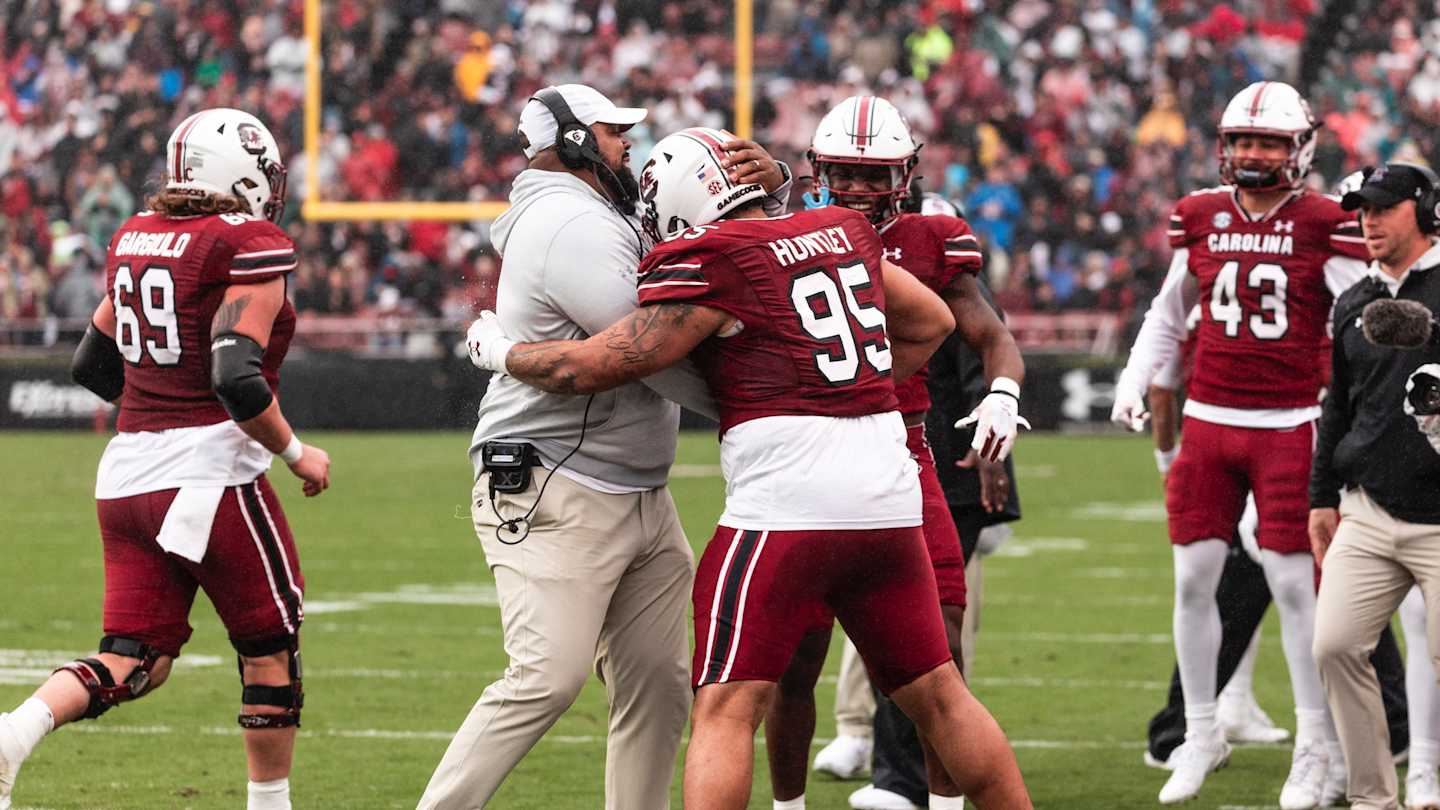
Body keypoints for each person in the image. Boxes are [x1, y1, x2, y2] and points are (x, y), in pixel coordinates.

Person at [467, 127, 1034, 810]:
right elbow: (932, 321)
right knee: (940, 696)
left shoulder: (712, 255)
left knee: (727, 709)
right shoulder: (844, 230)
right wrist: (852, 394)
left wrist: (497, 349)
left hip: (785, 510)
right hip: (888, 497)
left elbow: (583, 365)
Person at [417, 86, 793, 810]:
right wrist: (764, 398)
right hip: (556, 479)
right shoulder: (567, 221)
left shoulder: (596, 213)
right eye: (616, 132)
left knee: (658, 687)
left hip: (635, 489)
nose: (630, 147)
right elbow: (657, 347)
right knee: (545, 678)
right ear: (577, 140)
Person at [0, 108, 329, 810]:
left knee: (134, 659)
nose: (271, 188)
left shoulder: (134, 236)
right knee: (270, 646)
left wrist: (160, 407)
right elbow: (236, 377)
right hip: (210, 477)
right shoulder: (246, 241)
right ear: (237, 174)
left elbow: (91, 361)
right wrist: (298, 453)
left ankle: (12, 735)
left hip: (126, 478)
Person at [1111, 80, 1370, 807]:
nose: (1254, 155)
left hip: (1291, 423)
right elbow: (1169, 314)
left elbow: (1359, 318)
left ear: (1300, 149)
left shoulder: (1326, 222)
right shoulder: (1198, 215)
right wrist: (1135, 381)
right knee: (1195, 579)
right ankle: (1201, 731)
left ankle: (1317, 746)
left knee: (1295, 586)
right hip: (1210, 421)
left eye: (1269, 142)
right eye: (1244, 142)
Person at [769, 95, 1027, 810]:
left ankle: (941, 805)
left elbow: (992, 336)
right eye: (845, 172)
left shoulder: (935, 237)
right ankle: (788, 804)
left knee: (940, 645)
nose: (856, 188)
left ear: (905, 174)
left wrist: (1001, 395)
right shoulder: (778, 232)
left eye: (872, 174)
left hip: (902, 450)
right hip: (805, 451)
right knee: (795, 662)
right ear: (818, 170)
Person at [1311, 162, 1440, 810]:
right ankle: (1371, 800)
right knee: (1333, 645)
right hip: (1367, 508)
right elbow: (1338, 407)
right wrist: (1319, 498)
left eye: (1384, 207)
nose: (1368, 220)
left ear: (1422, 209)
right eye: (1362, 209)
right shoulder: (1353, 300)